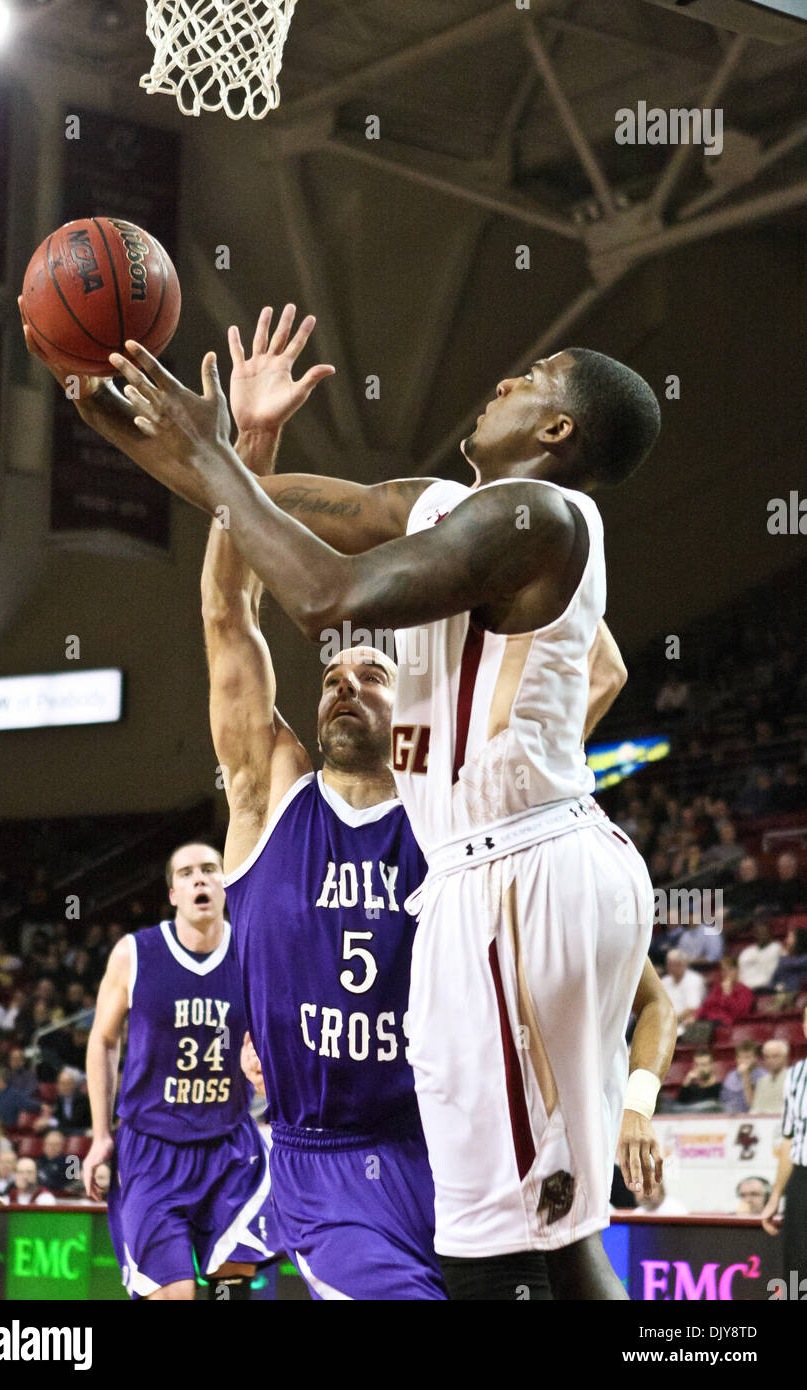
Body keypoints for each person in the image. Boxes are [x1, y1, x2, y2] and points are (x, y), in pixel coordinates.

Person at [100, 315, 665, 1300]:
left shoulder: (533, 514)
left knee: (509, 1246)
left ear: (554, 433)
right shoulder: (454, 510)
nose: (502, 376)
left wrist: (214, 451)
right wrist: (100, 398)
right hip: (486, 879)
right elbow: (252, 516)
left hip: (519, 870)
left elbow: (328, 595)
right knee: (534, 1236)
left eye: (530, 375)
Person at [81, 842, 274, 1302]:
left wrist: (268, 1085)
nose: (200, 879)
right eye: (187, 873)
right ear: (172, 893)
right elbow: (104, 1040)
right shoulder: (135, 953)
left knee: (233, 1283)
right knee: (175, 1294)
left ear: (226, 883)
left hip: (228, 1145)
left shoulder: (253, 949)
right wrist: (100, 1134)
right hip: (152, 1147)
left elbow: (279, 1040)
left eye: (210, 869)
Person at [761, 1003, 807, 1289]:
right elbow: (789, 1138)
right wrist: (776, 1194)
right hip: (801, 1181)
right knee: (797, 1271)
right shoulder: (796, 1076)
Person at [696, 957, 753, 1029]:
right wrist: (695, 1017)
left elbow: (740, 1014)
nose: (726, 973)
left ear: (737, 971)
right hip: (708, 1021)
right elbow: (706, 1006)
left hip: (726, 1024)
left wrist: (727, 994)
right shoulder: (717, 988)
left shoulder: (745, 990)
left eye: (730, 969)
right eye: (723, 970)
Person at [661, 949, 706, 1036]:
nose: (670, 968)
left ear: (684, 964)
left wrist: (670, 1021)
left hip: (684, 1024)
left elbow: (692, 1009)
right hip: (663, 1022)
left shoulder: (694, 979)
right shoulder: (664, 981)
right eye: (669, 964)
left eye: (675, 964)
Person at [737, 915, 783, 991]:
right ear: (755, 933)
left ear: (770, 932)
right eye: (758, 931)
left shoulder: (777, 948)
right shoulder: (746, 953)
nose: (761, 934)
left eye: (764, 931)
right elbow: (740, 976)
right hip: (747, 989)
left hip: (768, 988)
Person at [721, 1041, 768, 1114]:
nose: (744, 1061)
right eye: (741, 1057)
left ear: (755, 1058)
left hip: (753, 1118)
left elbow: (755, 1105)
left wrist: (746, 1076)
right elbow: (724, 1100)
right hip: (729, 1117)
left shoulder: (763, 1077)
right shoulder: (730, 1077)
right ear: (736, 1059)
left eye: (748, 1057)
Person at [750, 1039, 791, 1114]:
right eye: (767, 1057)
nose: (770, 1060)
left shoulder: (794, 1080)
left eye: (775, 1056)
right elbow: (755, 1109)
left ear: (785, 1057)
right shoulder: (761, 1082)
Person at [50, 1068, 90, 1134]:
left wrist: (51, 1122)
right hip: (65, 1131)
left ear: (74, 1085)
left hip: (80, 1132)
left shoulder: (82, 1099)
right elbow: (57, 1116)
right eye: (60, 1083)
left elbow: (75, 1122)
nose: (62, 1087)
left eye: (66, 1084)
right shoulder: (60, 1099)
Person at [37, 1129, 70, 1193]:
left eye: (56, 1144)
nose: (53, 1147)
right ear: (44, 1146)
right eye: (50, 1144)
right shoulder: (38, 1163)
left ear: (62, 1146)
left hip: (62, 1198)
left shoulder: (70, 1163)